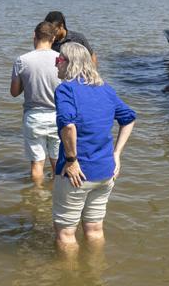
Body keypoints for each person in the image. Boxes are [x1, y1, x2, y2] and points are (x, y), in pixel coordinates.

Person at [52, 42, 136, 253]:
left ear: (69, 63)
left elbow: (68, 125)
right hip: (106, 172)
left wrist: (71, 161)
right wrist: (116, 155)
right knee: (95, 229)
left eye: (58, 60)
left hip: (77, 174)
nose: (56, 65)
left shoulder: (65, 89)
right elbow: (129, 119)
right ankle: (95, 275)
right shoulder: (105, 88)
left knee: (66, 234)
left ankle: (70, 282)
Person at [10, 21, 62, 184]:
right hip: (58, 117)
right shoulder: (61, 59)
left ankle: (37, 200)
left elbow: (14, 92)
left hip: (33, 117)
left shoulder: (22, 60)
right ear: (53, 38)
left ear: (34, 35)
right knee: (57, 164)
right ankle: (57, 197)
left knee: (37, 165)